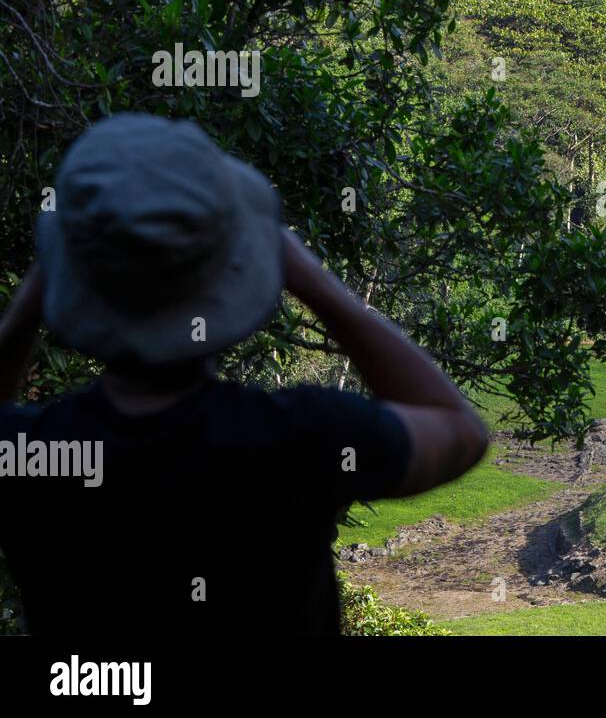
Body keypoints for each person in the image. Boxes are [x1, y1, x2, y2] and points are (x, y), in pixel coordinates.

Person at [0, 114, 488, 634]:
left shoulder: (34, 455)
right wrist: (316, 284)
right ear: (237, 277)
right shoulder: (301, 437)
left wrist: (33, 298)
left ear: (72, 282)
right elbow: (459, 429)